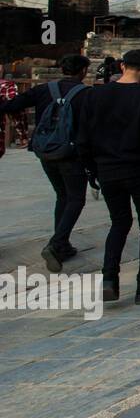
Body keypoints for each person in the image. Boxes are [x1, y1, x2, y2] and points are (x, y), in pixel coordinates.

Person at [77, 49, 140, 304]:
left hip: (107, 169)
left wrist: (91, 169)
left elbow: (82, 137)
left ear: (123, 66)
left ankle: (110, 279)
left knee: (119, 223)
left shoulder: (94, 95)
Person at [0, 54, 92, 271]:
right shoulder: (87, 94)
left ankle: (63, 243)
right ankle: (57, 243)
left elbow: (11, 106)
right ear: (83, 72)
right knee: (76, 198)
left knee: (63, 195)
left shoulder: (44, 89)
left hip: (46, 152)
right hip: (72, 154)